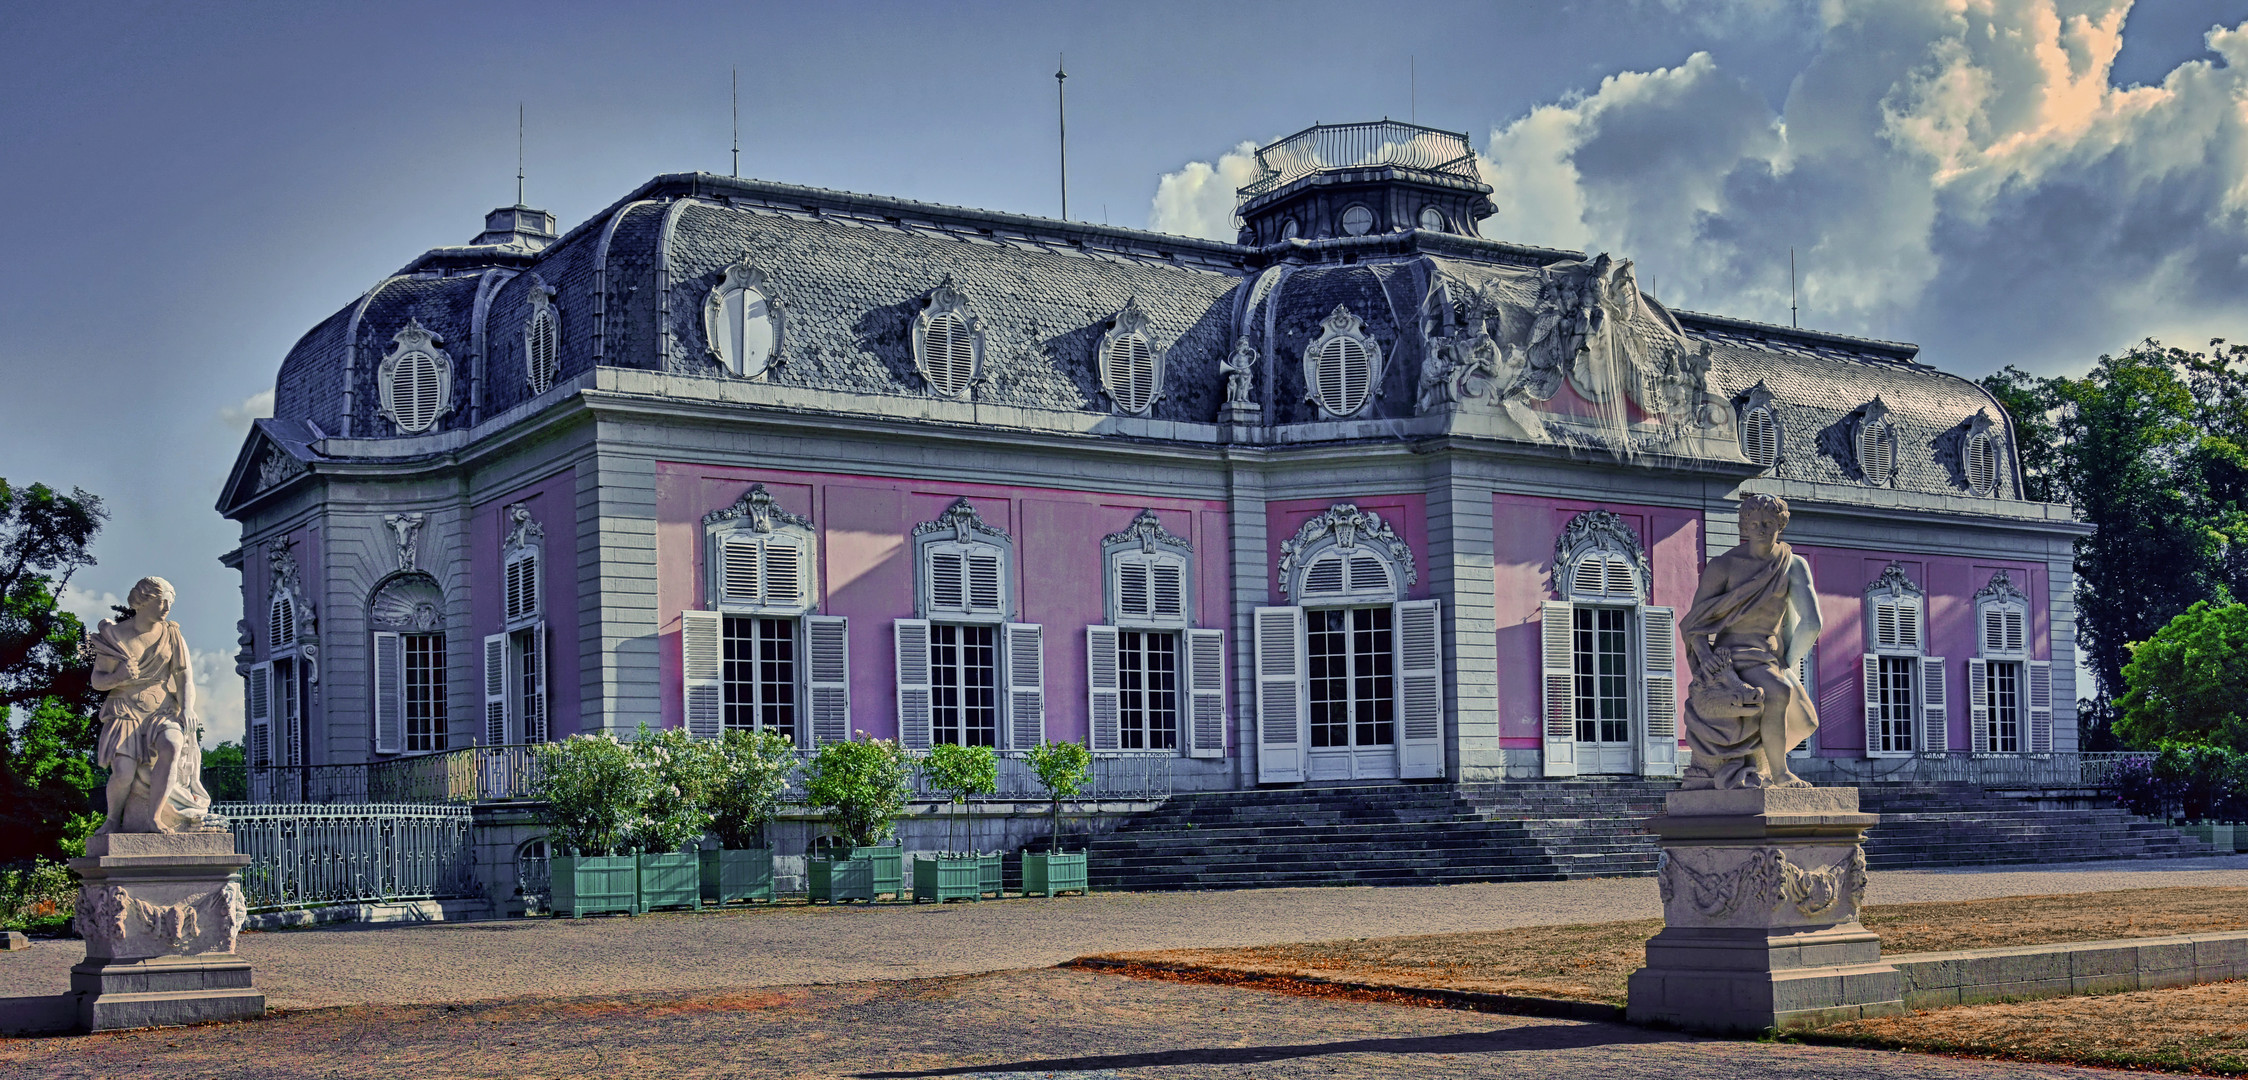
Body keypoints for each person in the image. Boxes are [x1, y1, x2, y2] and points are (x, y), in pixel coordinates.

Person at [1679, 494, 1823, 789]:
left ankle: (1765, 765)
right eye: (1754, 522)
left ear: (1780, 526)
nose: (1760, 528)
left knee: (1807, 719)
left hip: (1768, 657)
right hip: (1732, 657)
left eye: (1768, 523)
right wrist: (1708, 661)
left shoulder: (1790, 565)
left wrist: (1785, 661)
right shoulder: (1723, 565)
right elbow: (1695, 625)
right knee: (1778, 691)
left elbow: (1813, 624)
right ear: (1743, 525)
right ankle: (1781, 774)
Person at [89, 576, 213, 833]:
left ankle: (155, 817)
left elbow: (184, 677)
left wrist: (188, 708)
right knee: (123, 772)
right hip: (125, 710)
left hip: (162, 709)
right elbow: (97, 681)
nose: (167, 607)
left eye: (170, 602)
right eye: (162, 601)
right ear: (143, 601)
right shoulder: (115, 636)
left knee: (172, 743)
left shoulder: (172, 634)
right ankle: (113, 819)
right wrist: (118, 677)